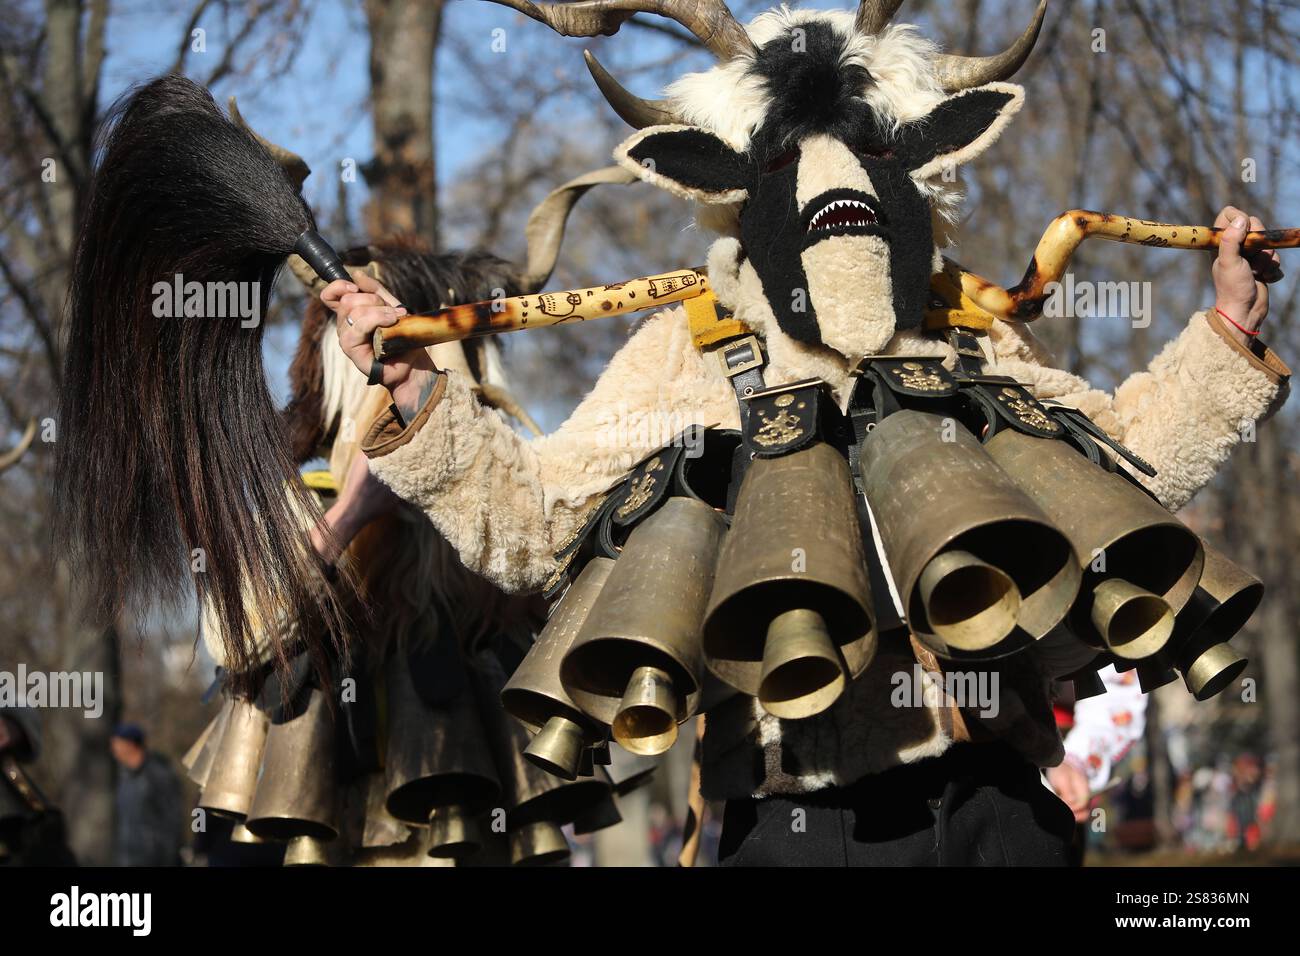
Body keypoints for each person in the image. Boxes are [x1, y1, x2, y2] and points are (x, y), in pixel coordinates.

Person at [110, 723, 183, 866]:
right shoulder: (124, 777)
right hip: (127, 859)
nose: (113, 749)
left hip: (155, 860)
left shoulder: (159, 775)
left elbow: (172, 820)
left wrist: (168, 858)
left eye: (116, 744)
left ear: (130, 744)